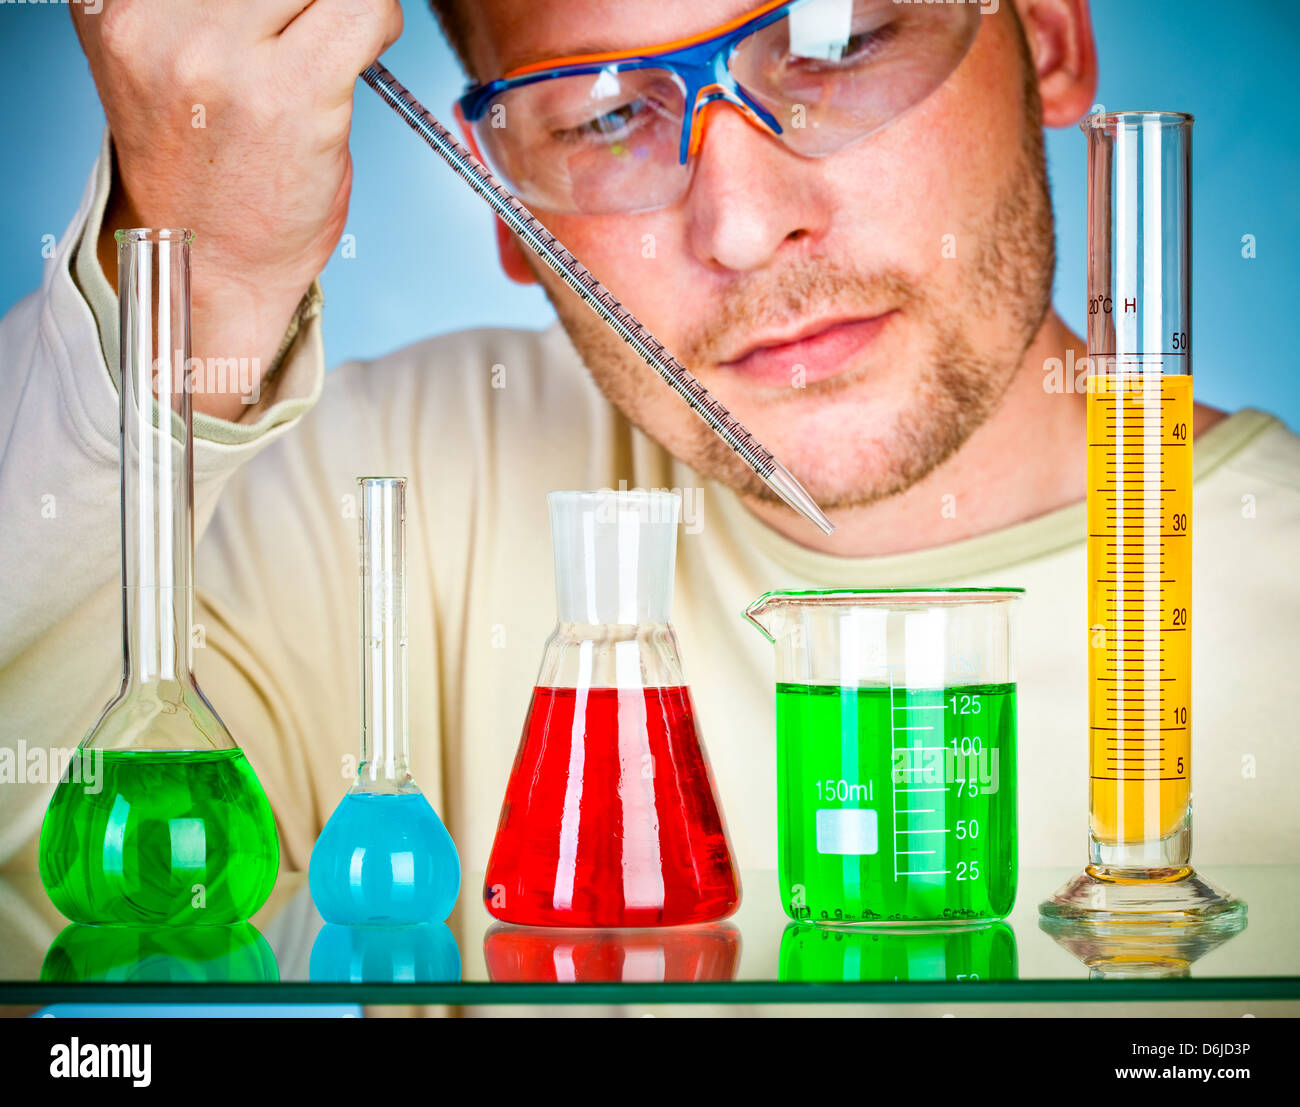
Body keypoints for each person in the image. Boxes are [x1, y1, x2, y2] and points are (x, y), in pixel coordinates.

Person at [2, 0, 1296, 896]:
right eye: (605, 116)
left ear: (1050, 39)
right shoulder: (357, 486)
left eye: (836, 43)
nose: (740, 224)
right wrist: (198, 292)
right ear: (501, 197)